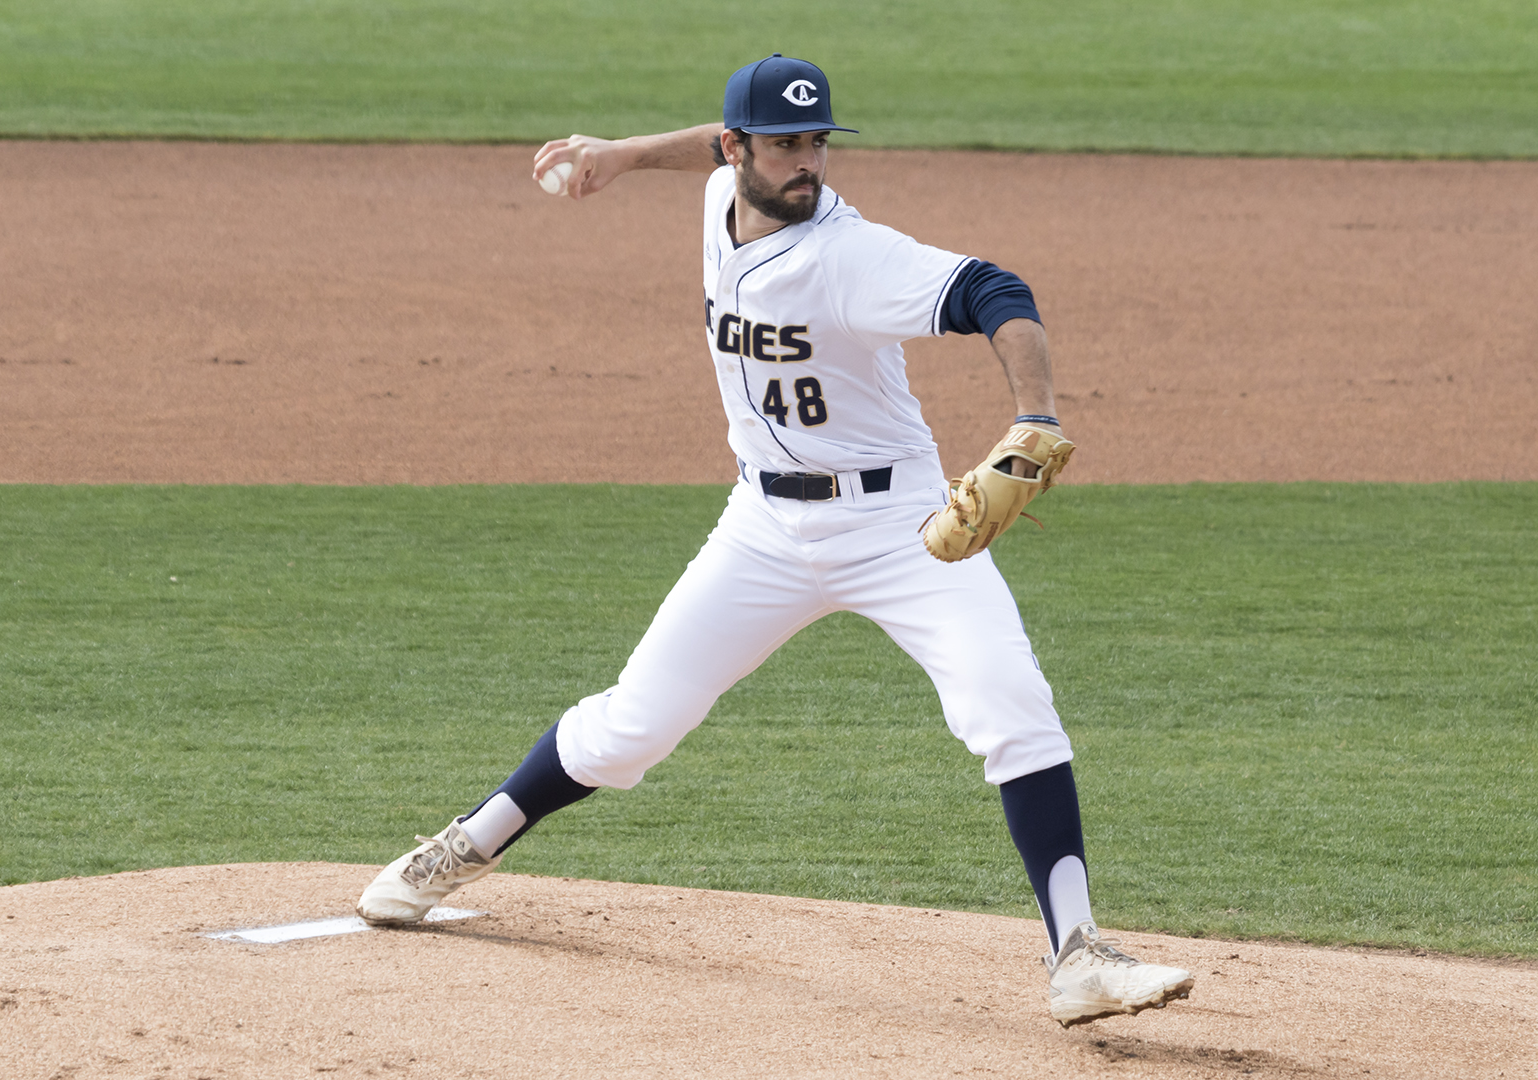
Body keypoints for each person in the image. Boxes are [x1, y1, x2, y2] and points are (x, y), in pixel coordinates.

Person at [356, 54, 1193, 1027]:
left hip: (898, 527)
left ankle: (1078, 953)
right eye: (786, 143)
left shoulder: (852, 256)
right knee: (634, 726)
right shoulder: (719, 193)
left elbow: (995, 291)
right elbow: (701, 156)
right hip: (763, 524)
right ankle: (463, 845)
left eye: (817, 143)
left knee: (1012, 705)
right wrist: (620, 155)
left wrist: (1035, 414)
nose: (807, 162)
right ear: (738, 148)